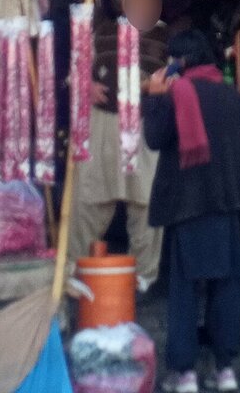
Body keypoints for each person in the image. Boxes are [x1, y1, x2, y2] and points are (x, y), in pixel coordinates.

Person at [144, 29, 240, 393]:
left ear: (180, 62)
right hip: (226, 202)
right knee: (225, 286)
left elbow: (155, 139)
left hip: (188, 204)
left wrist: (154, 97)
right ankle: (225, 372)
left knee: (184, 290)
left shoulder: (177, 94)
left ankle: (186, 374)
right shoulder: (230, 95)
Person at [68, 20, 167, 293]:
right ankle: (74, 272)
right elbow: (72, 74)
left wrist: (154, 89)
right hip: (100, 123)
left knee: (147, 202)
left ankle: (142, 280)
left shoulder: (160, 31)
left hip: (143, 125)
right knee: (87, 199)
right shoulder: (97, 29)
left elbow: (174, 80)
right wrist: (84, 85)